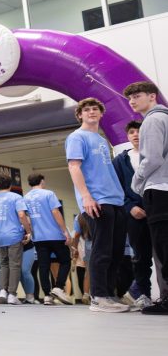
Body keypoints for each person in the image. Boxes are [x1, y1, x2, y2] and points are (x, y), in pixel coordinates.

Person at [65, 97, 129, 313]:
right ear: (80, 115)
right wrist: (86, 197)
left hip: (115, 200)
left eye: (95, 109)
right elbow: (74, 167)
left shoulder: (101, 140)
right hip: (97, 200)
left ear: (101, 114)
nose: (91, 112)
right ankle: (98, 297)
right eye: (87, 110)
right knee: (101, 250)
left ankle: (109, 295)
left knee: (116, 251)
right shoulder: (77, 137)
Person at [125, 80, 168, 315]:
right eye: (130, 98)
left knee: (163, 247)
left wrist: (136, 183)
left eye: (137, 95)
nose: (132, 101)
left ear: (152, 96)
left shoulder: (152, 120)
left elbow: (152, 159)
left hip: (158, 190)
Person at [113, 120, 155, 311]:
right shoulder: (120, 161)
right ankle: (143, 295)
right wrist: (129, 206)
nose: (136, 135)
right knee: (141, 257)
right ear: (128, 136)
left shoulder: (157, 154)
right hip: (134, 213)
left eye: (139, 131)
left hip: (158, 208)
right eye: (132, 132)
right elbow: (117, 187)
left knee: (163, 254)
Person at [23, 174, 73, 305]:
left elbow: (24, 216)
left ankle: (46, 296)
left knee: (43, 266)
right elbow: (56, 212)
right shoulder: (48, 194)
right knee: (66, 260)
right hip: (54, 235)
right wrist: (65, 231)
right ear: (42, 181)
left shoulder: (26, 197)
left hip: (38, 237)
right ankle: (58, 287)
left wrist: (30, 232)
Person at [0, 175, 30, 306]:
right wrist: (28, 231)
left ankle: (2, 291)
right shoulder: (16, 197)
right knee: (14, 265)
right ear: (10, 185)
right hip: (13, 235)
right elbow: (22, 215)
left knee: (3, 264)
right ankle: (12, 294)